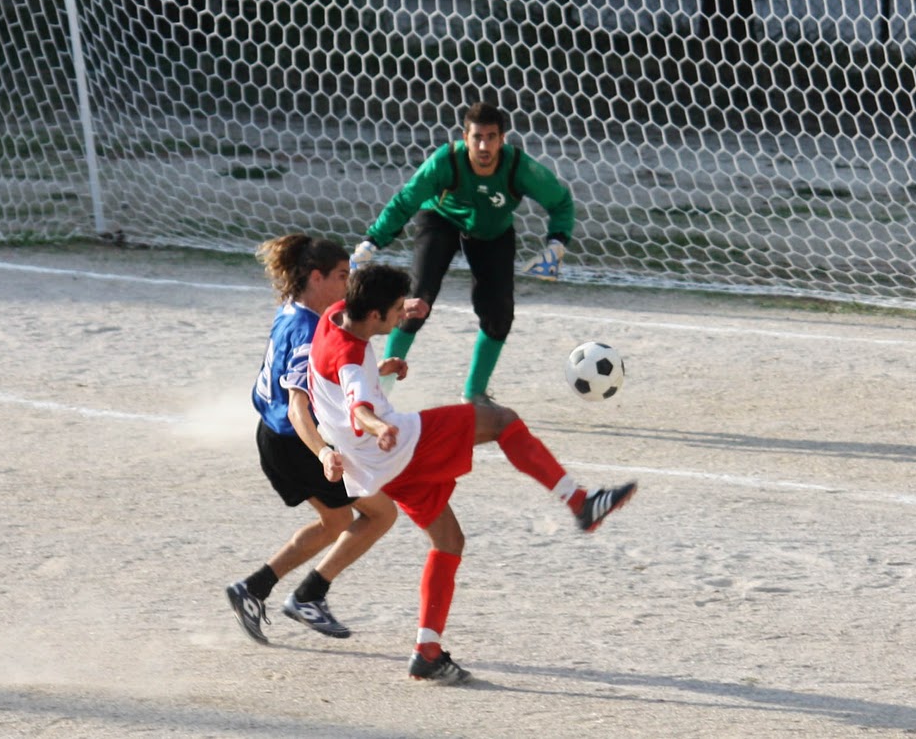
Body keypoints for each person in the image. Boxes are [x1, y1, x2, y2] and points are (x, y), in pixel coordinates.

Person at [310, 263, 637, 685]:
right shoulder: (352, 358)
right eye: (393, 312)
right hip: (401, 445)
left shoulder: (333, 317)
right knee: (502, 421)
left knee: (449, 541)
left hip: (374, 469)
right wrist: (381, 427)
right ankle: (581, 503)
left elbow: (340, 385)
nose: (398, 318)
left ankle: (427, 653)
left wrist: (386, 361)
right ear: (373, 315)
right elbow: (358, 407)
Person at [223, 234, 406, 645]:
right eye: (342, 276)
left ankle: (255, 590)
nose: (347, 284)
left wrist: (378, 371)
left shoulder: (294, 313)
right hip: (297, 442)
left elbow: (331, 371)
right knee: (381, 514)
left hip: (274, 437)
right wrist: (323, 451)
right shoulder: (309, 331)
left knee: (337, 521)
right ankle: (307, 595)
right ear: (316, 276)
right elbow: (297, 408)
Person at [349, 100, 575, 402]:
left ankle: (474, 393)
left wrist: (557, 244)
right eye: (477, 137)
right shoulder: (446, 161)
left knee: (499, 314)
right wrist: (372, 241)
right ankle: (382, 390)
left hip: (493, 232)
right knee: (418, 299)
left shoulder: (519, 167)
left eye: (491, 137)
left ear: (502, 139)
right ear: (464, 138)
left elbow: (561, 202)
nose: (484, 145)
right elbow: (407, 200)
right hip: (441, 220)